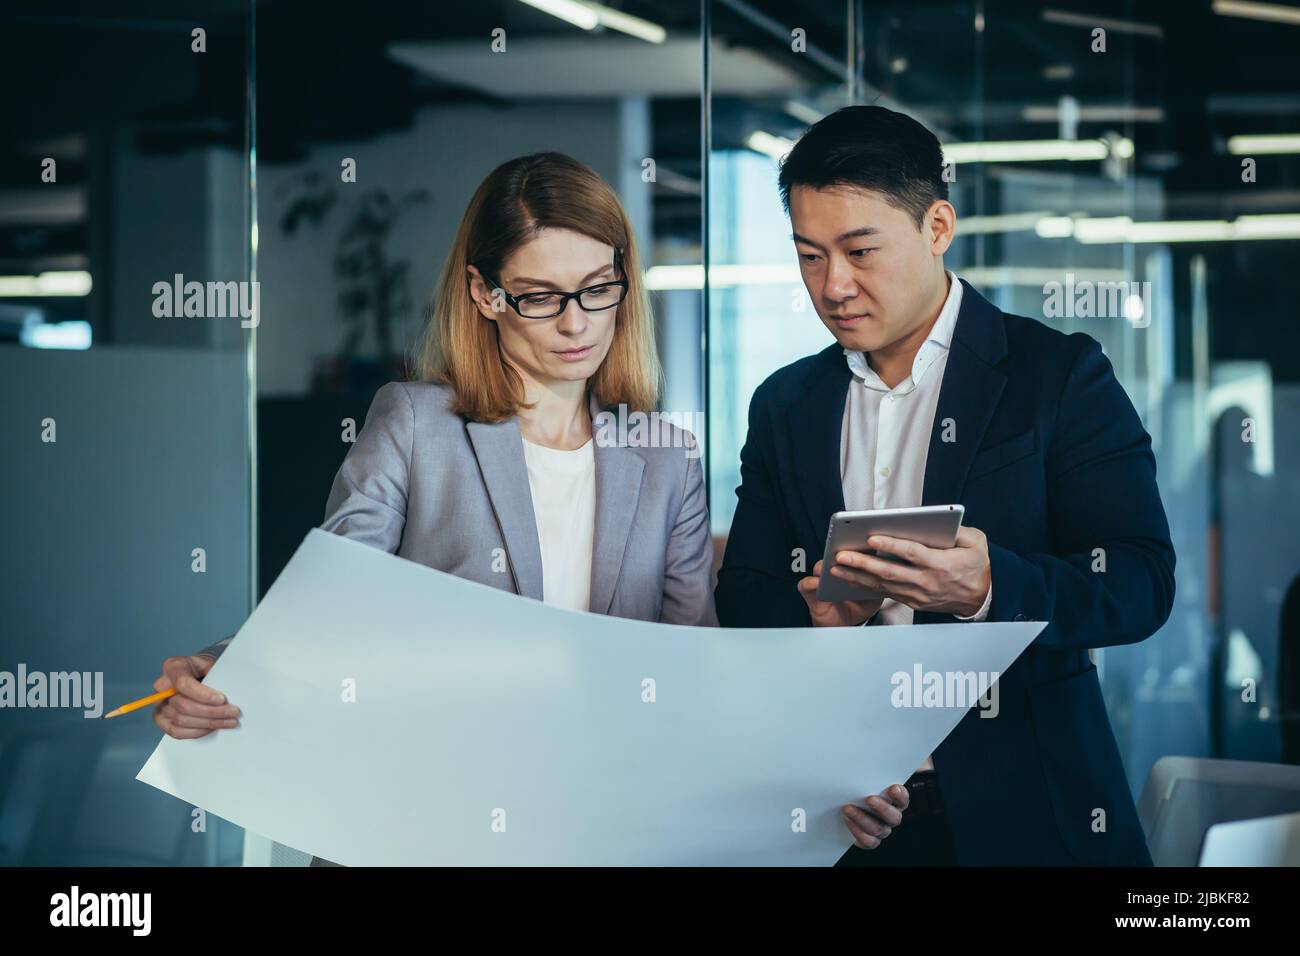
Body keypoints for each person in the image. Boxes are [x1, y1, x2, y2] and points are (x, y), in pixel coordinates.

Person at [150, 152, 720, 862]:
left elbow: (695, 670)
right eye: (540, 296)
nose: (577, 324)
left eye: (598, 289)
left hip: (592, 826)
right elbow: (332, 603)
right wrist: (222, 670)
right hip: (426, 822)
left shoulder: (667, 457)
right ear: (484, 293)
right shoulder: (417, 424)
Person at [715, 105, 1176, 866]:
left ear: (936, 227)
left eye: (861, 250)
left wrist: (991, 587)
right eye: (809, 255)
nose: (833, 285)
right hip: (848, 814)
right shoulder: (786, 404)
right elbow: (745, 595)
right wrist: (818, 624)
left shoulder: (1057, 377)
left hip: (1028, 813)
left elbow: (1139, 582)